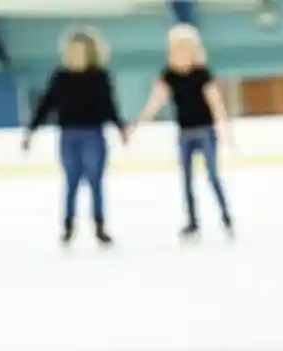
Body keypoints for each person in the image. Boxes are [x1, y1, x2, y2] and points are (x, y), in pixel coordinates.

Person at [130, 23, 234, 240]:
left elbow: (216, 103)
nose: (179, 53)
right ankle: (192, 222)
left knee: (212, 176)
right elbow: (155, 102)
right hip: (185, 134)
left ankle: (225, 215)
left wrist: (225, 130)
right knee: (186, 180)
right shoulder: (169, 76)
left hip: (205, 131)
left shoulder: (202, 74)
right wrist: (138, 123)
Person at [24, 27, 127, 246]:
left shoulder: (99, 77)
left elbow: (109, 105)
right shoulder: (60, 77)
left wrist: (120, 127)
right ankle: (68, 226)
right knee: (71, 182)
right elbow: (46, 104)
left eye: (78, 52)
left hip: (93, 135)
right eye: (71, 52)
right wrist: (31, 130)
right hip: (68, 135)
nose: (73, 56)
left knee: (95, 182)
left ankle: (99, 226)